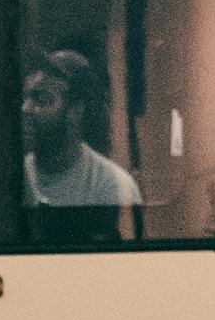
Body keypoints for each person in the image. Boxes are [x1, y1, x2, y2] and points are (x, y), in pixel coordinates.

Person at [22, 47, 140, 216]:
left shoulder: (111, 185)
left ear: (76, 110)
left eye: (41, 99)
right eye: (25, 97)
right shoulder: (12, 177)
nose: (25, 108)